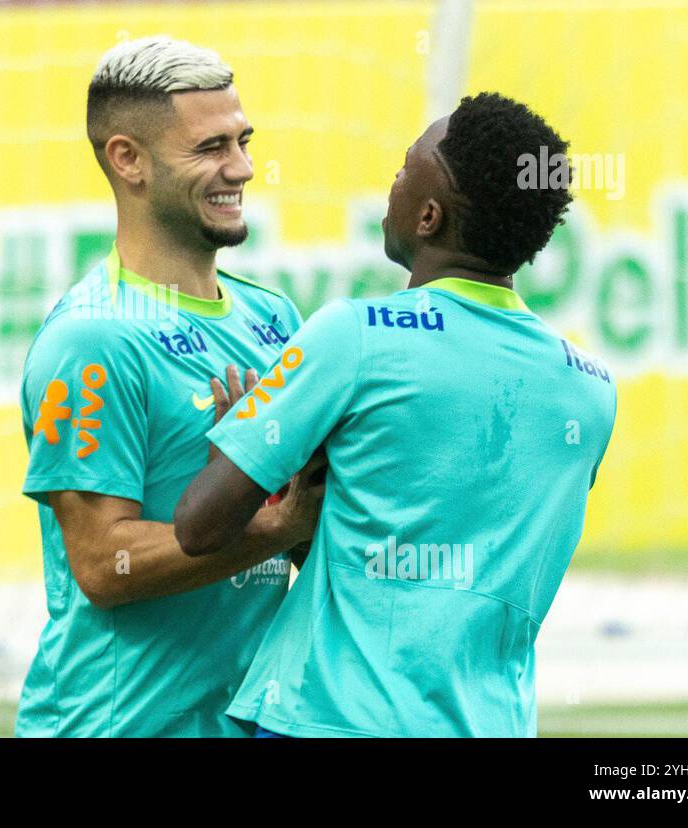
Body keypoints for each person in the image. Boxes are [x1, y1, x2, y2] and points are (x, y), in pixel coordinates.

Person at [174, 92, 617, 737]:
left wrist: (240, 440)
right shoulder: (592, 391)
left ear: (430, 217)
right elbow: (396, 554)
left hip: (329, 718)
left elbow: (199, 528)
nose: (395, 182)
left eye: (408, 168)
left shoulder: (354, 336)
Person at [15, 35, 321, 737]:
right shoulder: (91, 341)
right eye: (211, 148)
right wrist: (274, 522)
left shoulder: (276, 320)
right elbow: (100, 561)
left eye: (243, 141)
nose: (240, 168)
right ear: (129, 160)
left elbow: (307, 533)